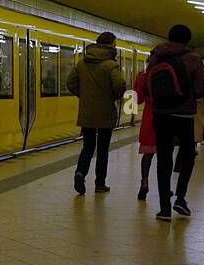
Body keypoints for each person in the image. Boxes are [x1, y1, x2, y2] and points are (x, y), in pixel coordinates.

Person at [145, 24, 204, 221]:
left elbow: (147, 86)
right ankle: (180, 198)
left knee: (163, 157)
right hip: (184, 115)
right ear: (188, 40)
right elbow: (201, 90)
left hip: (160, 114)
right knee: (187, 156)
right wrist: (185, 95)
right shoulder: (193, 59)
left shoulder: (156, 57)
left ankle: (164, 208)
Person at [66, 31, 127, 194]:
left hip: (87, 112)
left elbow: (70, 83)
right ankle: (100, 183)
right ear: (111, 45)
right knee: (103, 149)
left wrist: (84, 95)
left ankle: (80, 172)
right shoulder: (111, 65)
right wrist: (113, 96)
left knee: (88, 146)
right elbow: (119, 84)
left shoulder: (82, 63)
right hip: (106, 113)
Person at [134, 66, 157, 200]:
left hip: (150, 118)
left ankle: (144, 181)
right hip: (167, 118)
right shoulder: (171, 73)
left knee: (147, 155)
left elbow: (138, 100)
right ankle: (165, 187)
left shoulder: (144, 77)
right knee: (165, 157)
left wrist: (137, 82)